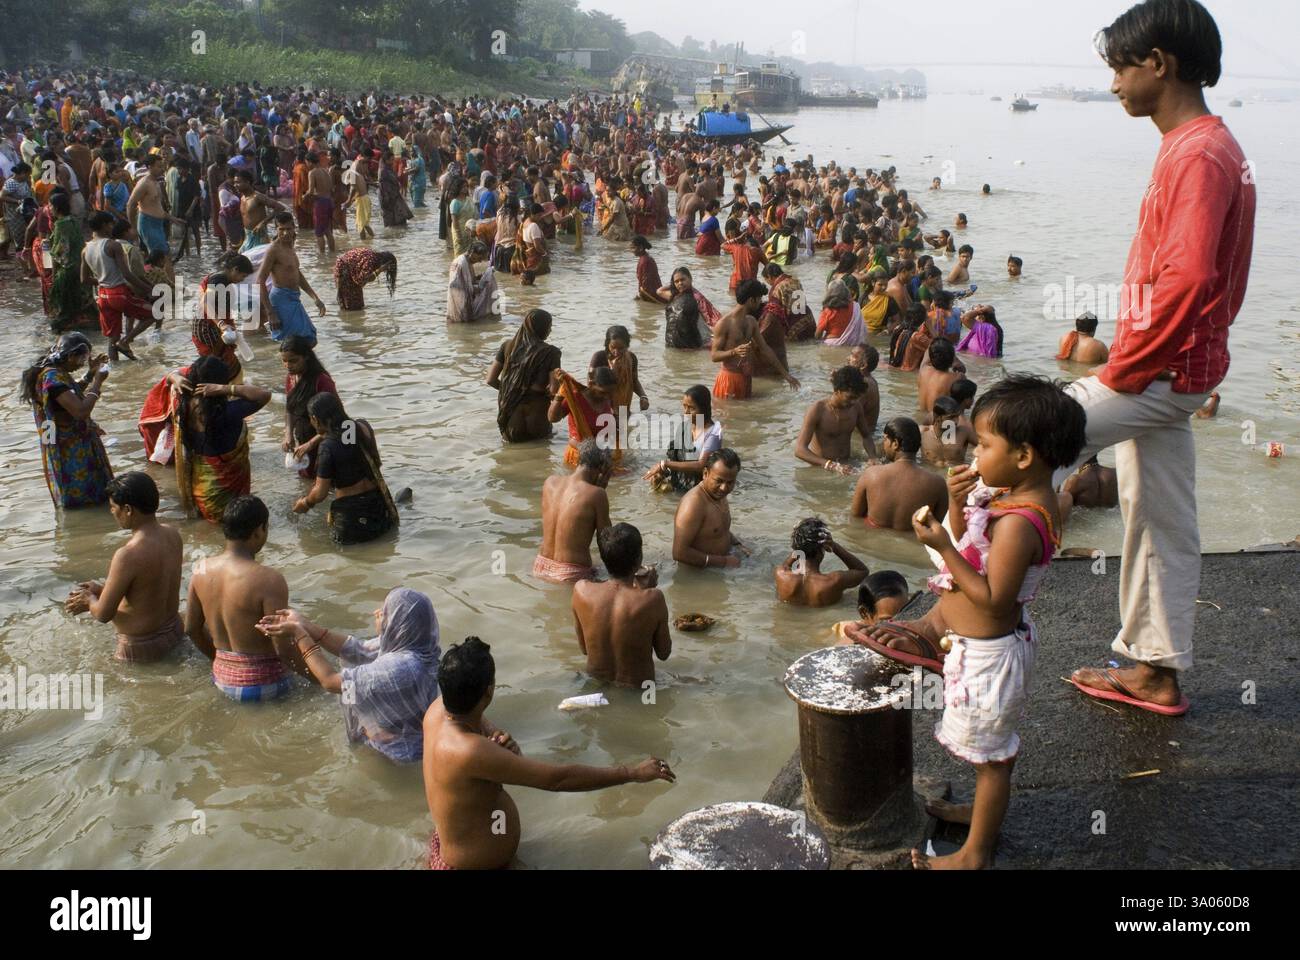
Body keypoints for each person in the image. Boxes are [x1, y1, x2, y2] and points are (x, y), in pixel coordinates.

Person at [1066, 0, 1254, 718]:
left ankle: (941, 626)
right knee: (1161, 517)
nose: (1114, 83)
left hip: (1161, 370)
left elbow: (1188, 279)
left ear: (1158, 64)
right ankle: (1155, 667)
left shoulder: (1200, 152)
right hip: (1184, 371)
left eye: (1120, 66)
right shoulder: (1201, 145)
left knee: (1015, 446)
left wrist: (1121, 370)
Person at [864, 376, 1085, 869]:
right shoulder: (1014, 497)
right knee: (993, 755)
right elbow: (973, 550)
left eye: (984, 445)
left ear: (1024, 455)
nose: (975, 453)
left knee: (993, 761)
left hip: (990, 653)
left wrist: (941, 543)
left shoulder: (1018, 523)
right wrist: (959, 505)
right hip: (982, 646)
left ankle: (974, 856)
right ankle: (977, 816)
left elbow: (991, 597)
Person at [422, 636, 675, 870]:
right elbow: (556, 779)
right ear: (489, 691)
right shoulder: (471, 751)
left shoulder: (437, 711)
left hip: (453, 843)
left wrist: (496, 734)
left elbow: (478, 721)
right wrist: (631, 773)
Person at [257, 588, 441, 763]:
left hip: (394, 756)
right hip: (409, 741)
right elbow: (356, 649)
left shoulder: (399, 667)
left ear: (397, 623)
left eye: (385, 612)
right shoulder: (417, 646)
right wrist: (303, 624)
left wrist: (300, 636)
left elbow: (330, 682)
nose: (377, 612)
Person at [186, 495, 309, 701]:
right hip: (266, 683)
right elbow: (283, 648)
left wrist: (223, 662)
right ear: (259, 530)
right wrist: (320, 680)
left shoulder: (200, 570)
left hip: (221, 679)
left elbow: (191, 629)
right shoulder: (270, 580)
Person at [65, 472, 185, 663]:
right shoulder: (172, 535)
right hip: (176, 632)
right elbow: (148, 593)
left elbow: (103, 614)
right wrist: (102, 591)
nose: (112, 512)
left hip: (140, 648)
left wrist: (89, 600)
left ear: (128, 509)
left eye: (113, 507)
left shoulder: (127, 555)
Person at [20, 332, 113, 508]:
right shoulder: (52, 377)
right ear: (70, 356)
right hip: (69, 449)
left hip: (67, 442)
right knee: (82, 497)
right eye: (81, 360)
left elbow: (69, 394)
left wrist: (90, 374)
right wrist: (98, 383)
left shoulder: (55, 371)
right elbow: (80, 411)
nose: (82, 364)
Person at [572, 523, 671, 686]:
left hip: (596, 684)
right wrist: (646, 591)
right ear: (639, 559)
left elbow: (584, 650)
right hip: (640, 689)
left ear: (604, 559)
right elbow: (664, 653)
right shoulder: (654, 599)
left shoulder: (580, 590)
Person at [294, 392, 399, 544]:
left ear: (315, 419)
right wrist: (312, 442)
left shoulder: (328, 447)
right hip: (380, 507)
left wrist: (305, 503)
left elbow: (320, 493)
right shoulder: (363, 427)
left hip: (351, 517)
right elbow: (350, 443)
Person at [176, 356, 271, 523]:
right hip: (228, 498)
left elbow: (173, 374)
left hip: (202, 493)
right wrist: (226, 389)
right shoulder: (228, 412)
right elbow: (264, 395)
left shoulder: (183, 406)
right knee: (236, 525)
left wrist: (174, 378)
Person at [81, 210, 154, 360]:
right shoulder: (113, 245)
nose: (113, 227)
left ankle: (114, 369)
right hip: (119, 294)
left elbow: (84, 279)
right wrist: (150, 289)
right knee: (154, 313)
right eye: (111, 224)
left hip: (102, 296)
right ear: (104, 225)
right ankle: (126, 341)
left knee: (112, 339)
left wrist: (103, 281)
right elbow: (127, 274)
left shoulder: (85, 249)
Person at [850, 418, 947, 530]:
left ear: (895, 443)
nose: (883, 444)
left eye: (885, 439)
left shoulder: (871, 474)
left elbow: (855, 518)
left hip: (872, 543)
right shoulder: (938, 483)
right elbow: (938, 528)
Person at [711, 280, 800, 399]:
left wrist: (786, 375)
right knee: (728, 416)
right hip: (729, 378)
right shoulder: (724, 324)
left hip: (746, 378)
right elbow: (714, 356)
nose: (760, 303)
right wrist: (734, 351)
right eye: (759, 299)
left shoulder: (751, 322)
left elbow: (765, 349)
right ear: (751, 300)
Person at [488, 308, 562, 442]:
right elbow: (554, 390)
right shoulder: (551, 353)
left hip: (510, 418)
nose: (550, 331)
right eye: (549, 327)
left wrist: (512, 390)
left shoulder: (507, 347)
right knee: (541, 456)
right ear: (541, 328)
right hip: (537, 418)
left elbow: (491, 380)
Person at [672, 449, 749, 569]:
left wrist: (737, 544)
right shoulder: (694, 504)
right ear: (705, 474)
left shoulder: (718, 495)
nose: (724, 488)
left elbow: (719, 529)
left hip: (719, 567)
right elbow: (679, 553)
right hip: (698, 577)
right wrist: (723, 562)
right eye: (719, 481)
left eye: (730, 482)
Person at [257, 212, 325, 343]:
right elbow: (260, 281)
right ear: (276, 229)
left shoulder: (290, 245)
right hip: (280, 299)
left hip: (294, 299)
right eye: (281, 229)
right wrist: (271, 313)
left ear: (294, 227)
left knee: (310, 339)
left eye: (288, 229)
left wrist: (315, 298)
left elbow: (296, 273)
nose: (285, 233)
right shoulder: (273, 250)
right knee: (293, 343)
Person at [794, 366, 876, 474]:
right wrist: (831, 465)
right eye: (850, 397)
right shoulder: (817, 410)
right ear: (837, 390)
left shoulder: (856, 407)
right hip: (821, 469)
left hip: (847, 465)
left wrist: (873, 457)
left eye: (857, 397)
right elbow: (800, 450)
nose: (853, 401)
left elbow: (866, 436)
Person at [644, 385, 723, 493]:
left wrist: (664, 464)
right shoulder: (684, 428)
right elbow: (676, 460)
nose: (686, 412)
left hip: (701, 491)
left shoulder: (713, 434)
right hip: (680, 485)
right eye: (684, 406)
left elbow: (701, 465)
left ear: (704, 408)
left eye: (691, 408)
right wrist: (663, 473)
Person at [775, 517, 869, 607]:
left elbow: (787, 564)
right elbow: (863, 571)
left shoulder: (781, 574)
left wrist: (799, 545)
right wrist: (834, 546)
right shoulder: (834, 581)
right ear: (823, 548)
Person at [281, 336, 337, 479]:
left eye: (293, 361)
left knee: (325, 481)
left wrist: (311, 444)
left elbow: (337, 420)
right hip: (303, 439)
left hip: (324, 441)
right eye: (284, 361)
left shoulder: (321, 381)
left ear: (306, 357)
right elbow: (290, 408)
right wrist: (288, 433)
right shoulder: (291, 378)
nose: (288, 365)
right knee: (307, 479)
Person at [446, 240, 498, 323]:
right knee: (464, 324)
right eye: (479, 258)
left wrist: (480, 278)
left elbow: (468, 280)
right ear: (473, 252)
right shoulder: (462, 263)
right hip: (460, 301)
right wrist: (479, 287)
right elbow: (460, 286)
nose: (480, 261)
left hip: (460, 299)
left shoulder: (465, 261)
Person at [334, 247, 398, 312]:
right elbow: (362, 280)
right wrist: (379, 270)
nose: (385, 271)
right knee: (353, 308)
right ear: (384, 264)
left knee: (355, 306)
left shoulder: (372, 255)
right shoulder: (370, 260)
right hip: (345, 273)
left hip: (344, 270)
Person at [921, 396, 977, 466]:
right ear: (938, 418)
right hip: (929, 475)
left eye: (957, 416)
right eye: (951, 418)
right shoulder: (922, 433)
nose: (956, 421)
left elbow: (985, 446)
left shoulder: (964, 432)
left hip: (957, 475)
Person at [815, 279, 866, 347]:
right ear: (846, 291)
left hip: (831, 344)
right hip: (852, 343)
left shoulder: (828, 311)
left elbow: (818, 333)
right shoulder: (855, 306)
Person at [918, 339, 964, 413]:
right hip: (940, 422)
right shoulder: (958, 377)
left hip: (921, 419)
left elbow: (929, 351)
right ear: (952, 358)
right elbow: (962, 405)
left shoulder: (923, 369)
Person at [305, 151, 335, 253]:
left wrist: (304, 196)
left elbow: (310, 191)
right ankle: (332, 253)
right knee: (327, 230)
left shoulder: (312, 173)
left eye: (306, 162)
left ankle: (321, 257)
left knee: (319, 233)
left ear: (310, 162)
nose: (306, 164)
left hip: (320, 204)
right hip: (329, 202)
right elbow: (331, 189)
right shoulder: (326, 171)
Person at [631, 235, 669, 303]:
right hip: (651, 293)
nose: (632, 251)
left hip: (652, 296)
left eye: (633, 248)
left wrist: (640, 295)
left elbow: (646, 283)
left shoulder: (645, 261)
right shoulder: (644, 258)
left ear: (640, 248)